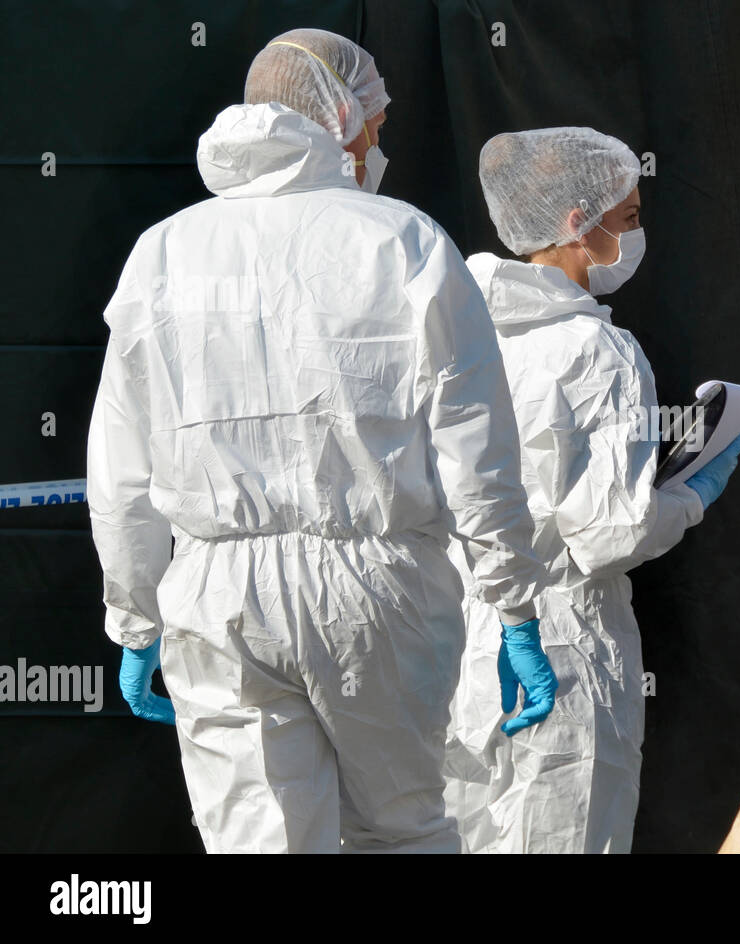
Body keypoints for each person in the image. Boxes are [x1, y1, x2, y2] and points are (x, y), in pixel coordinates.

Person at [86, 28, 555, 854]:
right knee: (402, 832)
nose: (380, 138)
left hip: (217, 594)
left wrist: (134, 616)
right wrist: (512, 602)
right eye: (375, 119)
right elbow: (476, 443)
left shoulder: (160, 254)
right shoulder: (400, 239)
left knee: (257, 843)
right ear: (342, 116)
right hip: (382, 588)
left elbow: (121, 470)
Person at [443, 127, 740, 853]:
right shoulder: (597, 348)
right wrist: (694, 492)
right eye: (630, 217)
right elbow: (610, 531)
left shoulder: (465, 334)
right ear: (579, 223)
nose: (638, 235)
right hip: (562, 643)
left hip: (461, 647)